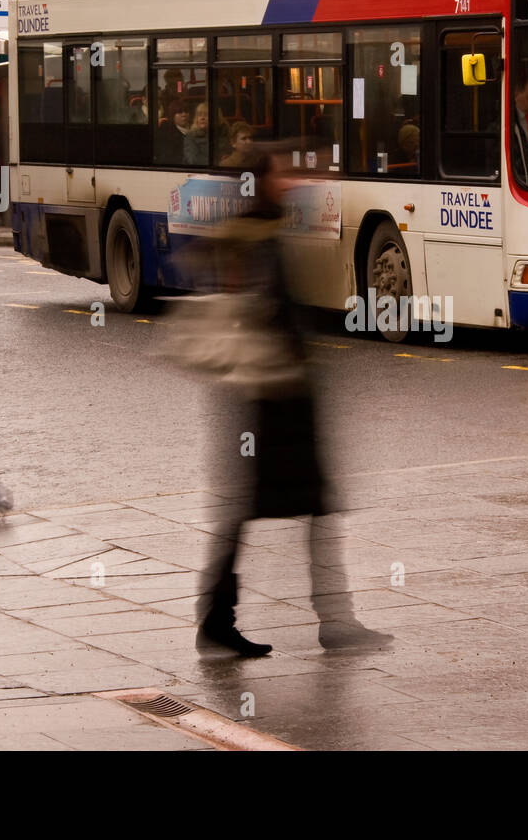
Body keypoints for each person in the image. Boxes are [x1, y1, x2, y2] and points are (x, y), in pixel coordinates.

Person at [194, 151, 392, 656]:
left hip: (273, 395)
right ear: (258, 183)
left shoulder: (258, 230)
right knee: (292, 506)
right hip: (271, 397)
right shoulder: (254, 237)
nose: (291, 180)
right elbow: (262, 314)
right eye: (280, 173)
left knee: (282, 507)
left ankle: (229, 619)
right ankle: (320, 620)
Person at [155, 100, 189, 164]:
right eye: (179, 112)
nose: (184, 114)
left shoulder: (195, 130)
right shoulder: (166, 134)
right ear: (172, 115)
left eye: (186, 111)